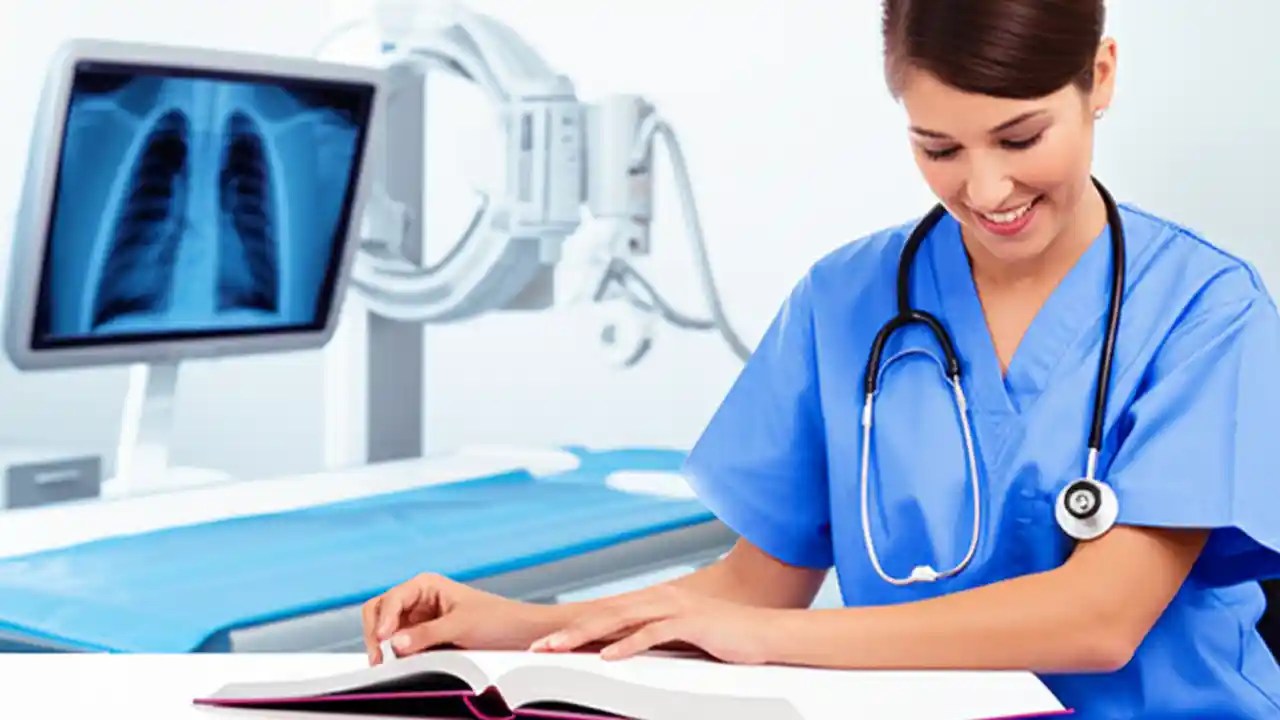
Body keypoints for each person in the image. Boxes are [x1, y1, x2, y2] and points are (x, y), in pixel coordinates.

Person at [361, 1, 1280, 716]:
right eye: (939, 148)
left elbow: (1100, 620)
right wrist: (518, 627)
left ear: (1101, 76)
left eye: (1021, 137)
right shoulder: (845, 302)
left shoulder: (1202, 309)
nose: (986, 188)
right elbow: (749, 591)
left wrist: (760, 636)